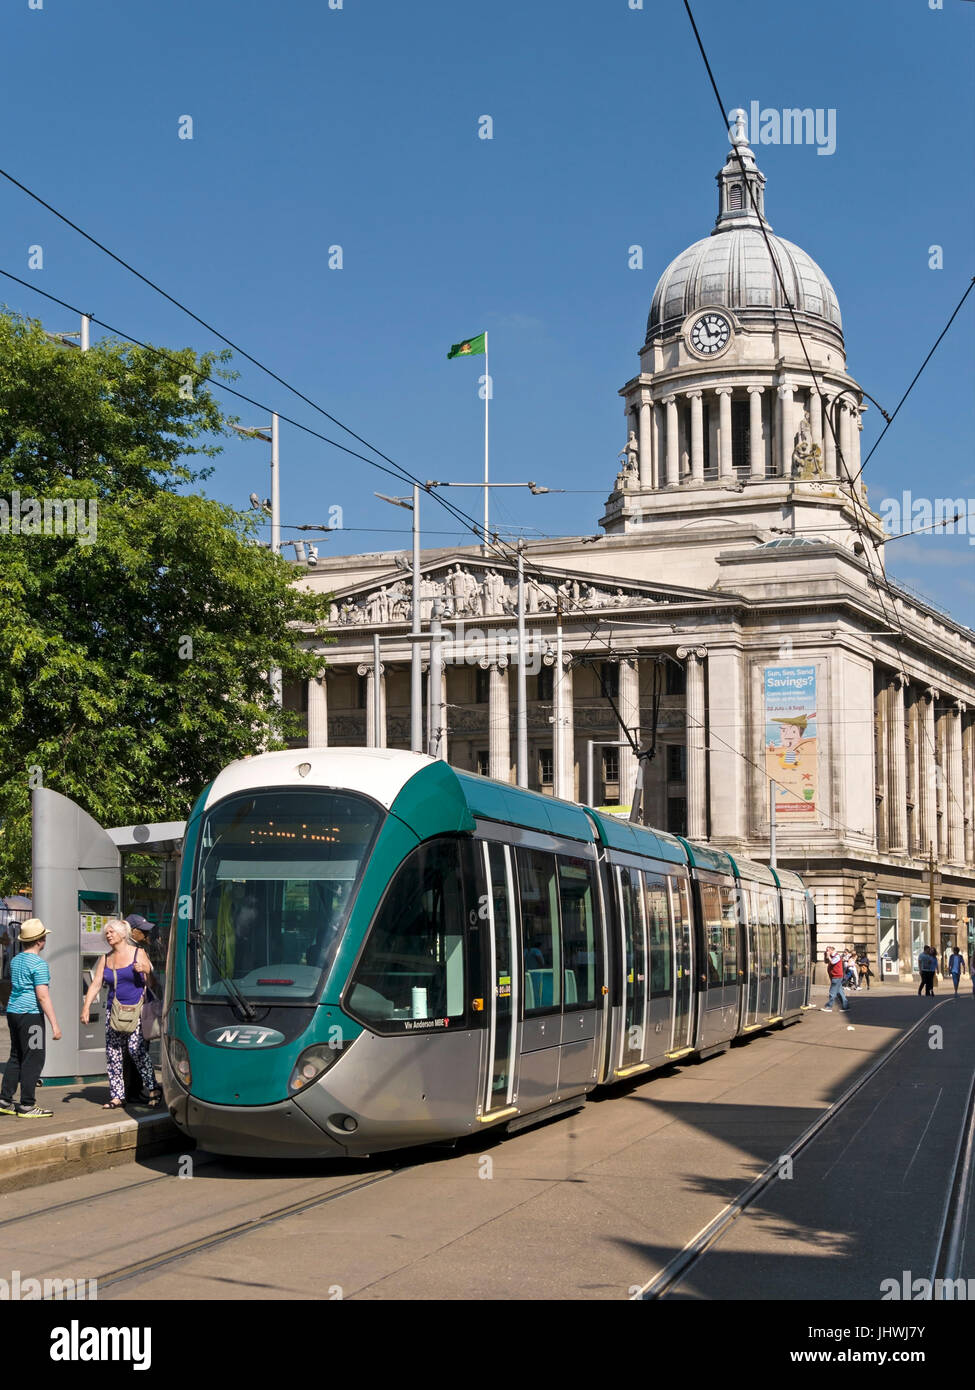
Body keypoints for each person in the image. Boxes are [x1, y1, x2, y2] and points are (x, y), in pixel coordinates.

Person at [81, 918, 160, 1109]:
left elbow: (152, 984)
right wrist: (86, 1007)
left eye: (112, 932)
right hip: (114, 1011)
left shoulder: (138, 953)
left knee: (136, 1050)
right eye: (106, 933)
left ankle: (153, 1088)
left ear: (123, 934)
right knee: (113, 1053)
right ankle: (117, 1096)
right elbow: (97, 983)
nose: (108, 935)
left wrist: (146, 971)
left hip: (137, 1010)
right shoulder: (105, 958)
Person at [0, 919, 61, 1118]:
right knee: (34, 1058)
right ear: (40, 941)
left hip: (13, 1012)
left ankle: (4, 1100)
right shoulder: (39, 964)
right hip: (31, 1014)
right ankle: (27, 1105)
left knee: (16, 1055)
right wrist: (54, 1024)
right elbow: (42, 996)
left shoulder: (16, 960)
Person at [821, 948, 850, 1013]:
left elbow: (832, 962)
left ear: (831, 950)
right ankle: (846, 1006)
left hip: (837, 977)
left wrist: (828, 956)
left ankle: (829, 1006)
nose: (827, 951)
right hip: (835, 976)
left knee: (832, 992)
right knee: (839, 992)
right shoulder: (831, 956)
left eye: (828, 950)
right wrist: (825, 956)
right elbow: (826, 962)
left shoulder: (837, 956)